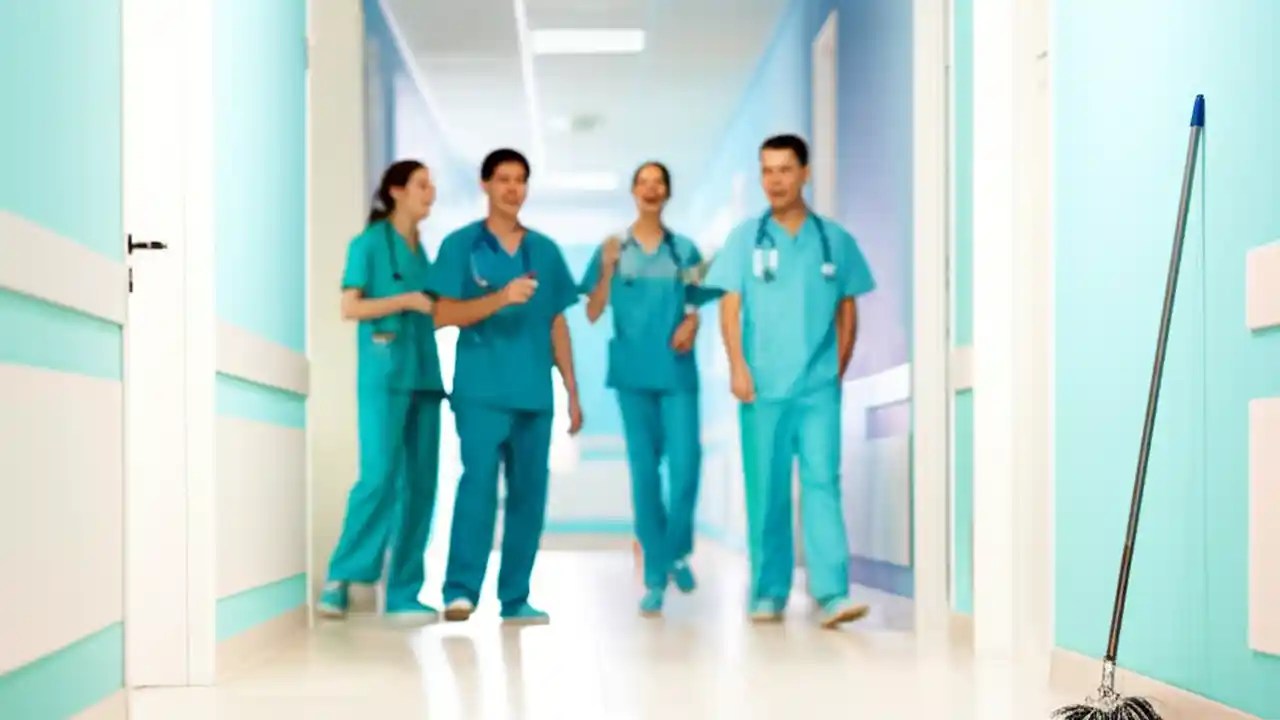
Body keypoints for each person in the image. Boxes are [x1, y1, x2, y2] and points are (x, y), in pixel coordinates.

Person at [701, 134, 876, 628]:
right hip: (761, 387)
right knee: (768, 490)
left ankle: (832, 593)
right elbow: (729, 305)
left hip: (818, 387)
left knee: (823, 483)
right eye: (767, 170)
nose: (774, 180)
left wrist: (836, 368)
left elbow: (847, 307)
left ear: (805, 173)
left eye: (784, 170)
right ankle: (768, 591)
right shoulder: (744, 239)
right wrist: (737, 365)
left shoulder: (834, 240)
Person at [426, 148, 583, 625]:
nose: (513, 189)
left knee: (528, 495)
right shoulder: (460, 246)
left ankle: (515, 596)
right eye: (504, 180)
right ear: (485, 186)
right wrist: (499, 298)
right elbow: (441, 314)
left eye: (520, 180)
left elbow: (557, 323)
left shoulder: (545, 252)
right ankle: (460, 591)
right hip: (481, 393)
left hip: (535, 396)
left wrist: (573, 392)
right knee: (476, 488)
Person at [580, 161, 718, 617]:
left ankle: (675, 548)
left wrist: (692, 323)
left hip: (677, 373)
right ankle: (656, 574)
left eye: (659, 182)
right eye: (644, 182)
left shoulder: (685, 251)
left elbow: (697, 305)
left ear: (668, 193)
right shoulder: (614, 249)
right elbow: (594, 312)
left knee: (686, 467)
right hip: (633, 377)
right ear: (633, 192)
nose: (651, 189)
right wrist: (605, 269)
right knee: (644, 475)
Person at [316, 160, 444, 621]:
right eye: (422, 185)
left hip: (425, 377)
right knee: (378, 478)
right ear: (395, 191)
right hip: (385, 376)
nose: (431, 192)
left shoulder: (423, 252)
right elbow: (350, 305)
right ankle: (340, 577)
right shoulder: (368, 244)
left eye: (432, 186)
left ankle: (405, 590)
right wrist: (407, 301)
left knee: (422, 486)